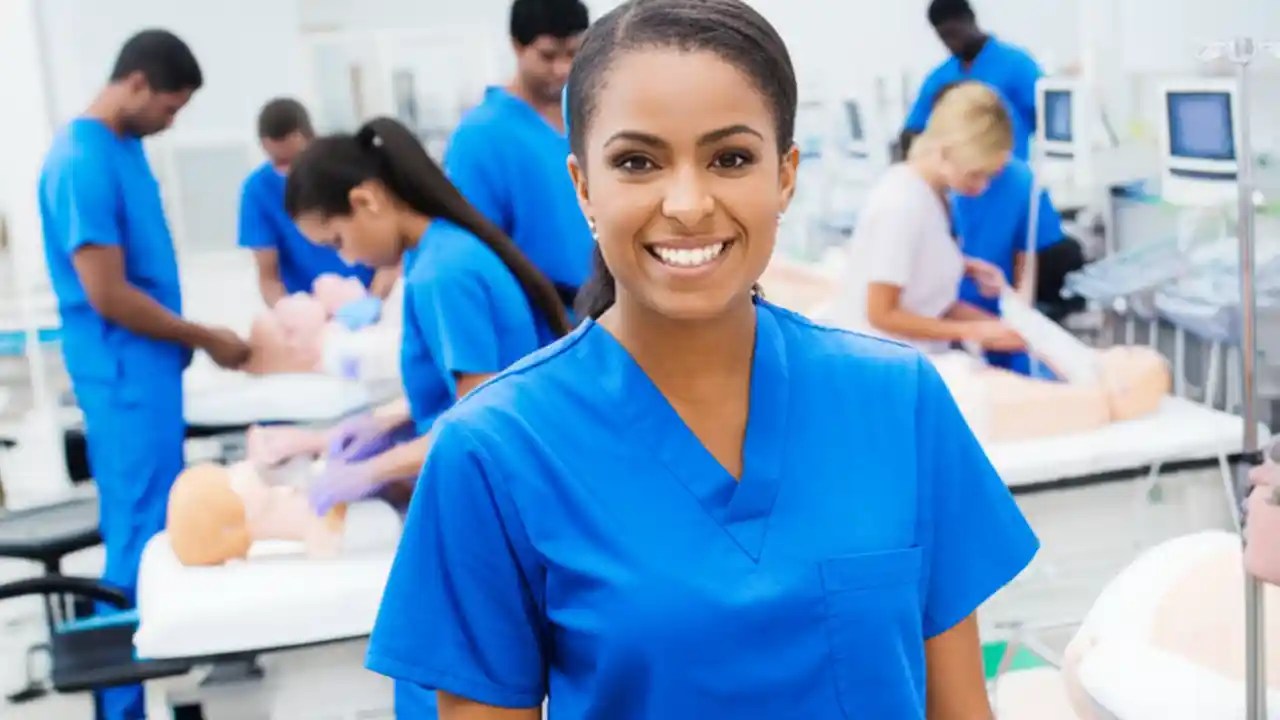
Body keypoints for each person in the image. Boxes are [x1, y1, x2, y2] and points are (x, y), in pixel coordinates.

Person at [365, 1, 1039, 718]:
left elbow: (960, 708)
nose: (687, 203)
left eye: (730, 158)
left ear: (784, 177)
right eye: (637, 162)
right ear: (584, 186)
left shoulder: (896, 403)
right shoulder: (496, 450)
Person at [284, 116, 573, 719]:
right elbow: (471, 383)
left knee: (441, 678)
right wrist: (386, 421)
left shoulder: (446, 272)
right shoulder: (441, 252)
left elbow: (481, 418)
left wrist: (371, 471)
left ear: (366, 201)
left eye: (338, 241)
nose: (349, 259)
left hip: (500, 503)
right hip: (497, 491)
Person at [37, 29, 251, 720]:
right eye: (170, 107)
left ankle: (153, 691)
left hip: (149, 379)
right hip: (124, 380)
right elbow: (107, 292)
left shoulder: (122, 151)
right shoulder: (81, 159)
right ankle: (121, 709)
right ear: (136, 83)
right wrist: (205, 336)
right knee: (136, 541)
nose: (171, 123)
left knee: (154, 533)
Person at [831, 81, 1026, 355]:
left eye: (988, 177)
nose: (981, 187)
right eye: (975, 174)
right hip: (880, 364)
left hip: (914, 359)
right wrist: (974, 332)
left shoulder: (933, 194)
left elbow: (924, 293)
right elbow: (880, 313)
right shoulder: (902, 203)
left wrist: (961, 267)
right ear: (944, 152)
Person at [444, 0, 593, 310]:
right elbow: (472, 251)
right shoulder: (480, 135)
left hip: (608, 312)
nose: (563, 68)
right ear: (516, 47)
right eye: (548, 55)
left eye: (573, 53)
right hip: (539, 318)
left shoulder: (590, 117)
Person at [238, 97, 398, 307]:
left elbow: (393, 248)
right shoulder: (258, 191)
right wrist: (293, 312)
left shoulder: (349, 168)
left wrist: (372, 302)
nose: (287, 172)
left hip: (373, 295)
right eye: (277, 162)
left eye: (292, 160)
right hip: (309, 307)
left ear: (313, 140)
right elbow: (269, 277)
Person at [952, 154, 1072, 374]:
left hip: (999, 319)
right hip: (949, 327)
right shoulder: (929, 188)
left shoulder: (1019, 180)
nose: (981, 187)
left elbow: (1026, 255)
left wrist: (1020, 318)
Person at [900, 0, 1043, 161]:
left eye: (954, 33)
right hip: (955, 181)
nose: (951, 43)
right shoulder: (939, 78)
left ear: (970, 19)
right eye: (943, 37)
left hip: (1006, 173)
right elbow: (912, 132)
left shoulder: (1017, 65)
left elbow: (1047, 121)